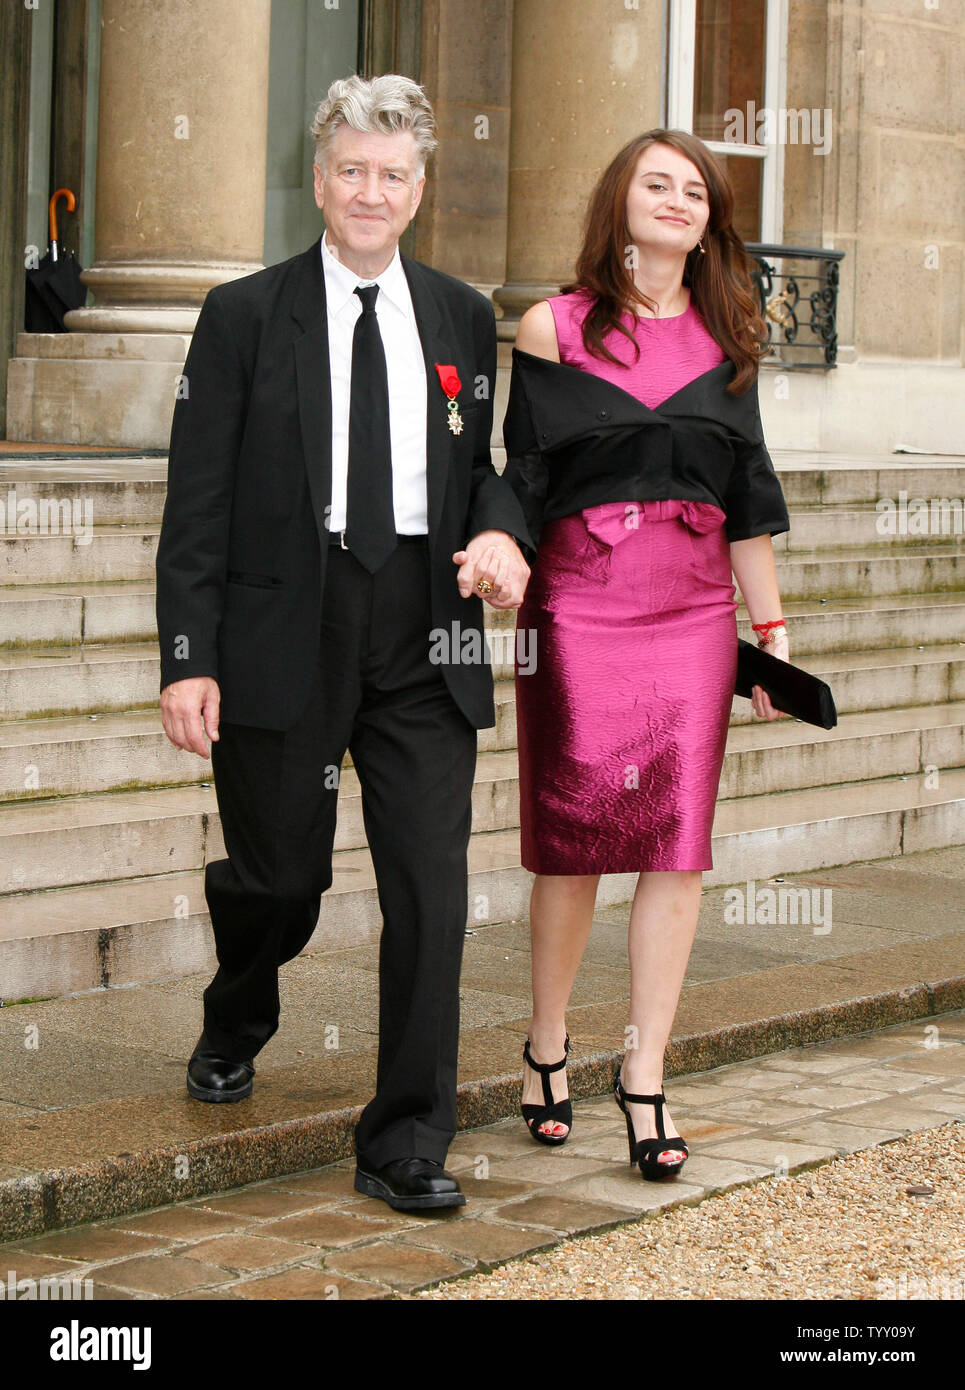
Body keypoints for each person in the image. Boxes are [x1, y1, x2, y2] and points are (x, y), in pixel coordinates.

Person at [155, 74, 533, 1212]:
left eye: (393, 174)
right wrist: (189, 656)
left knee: (431, 886)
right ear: (318, 181)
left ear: (419, 191)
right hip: (286, 627)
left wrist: (500, 538)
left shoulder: (465, 318)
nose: (371, 191)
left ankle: (406, 1139)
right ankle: (239, 1011)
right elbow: (197, 502)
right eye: (352, 170)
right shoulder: (241, 315)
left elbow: (488, 476)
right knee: (284, 875)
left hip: (429, 635)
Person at [502, 129, 791, 1179]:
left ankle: (642, 1071)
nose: (674, 200)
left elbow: (748, 505)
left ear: (708, 218)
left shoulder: (729, 340)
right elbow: (522, 475)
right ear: (617, 201)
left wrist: (772, 640)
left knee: (675, 848)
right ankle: (544, 1049)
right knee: (574, 841)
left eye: (693, 190)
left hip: (690, 619)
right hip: (577, 610)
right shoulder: (552, 326)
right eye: (654, 183)